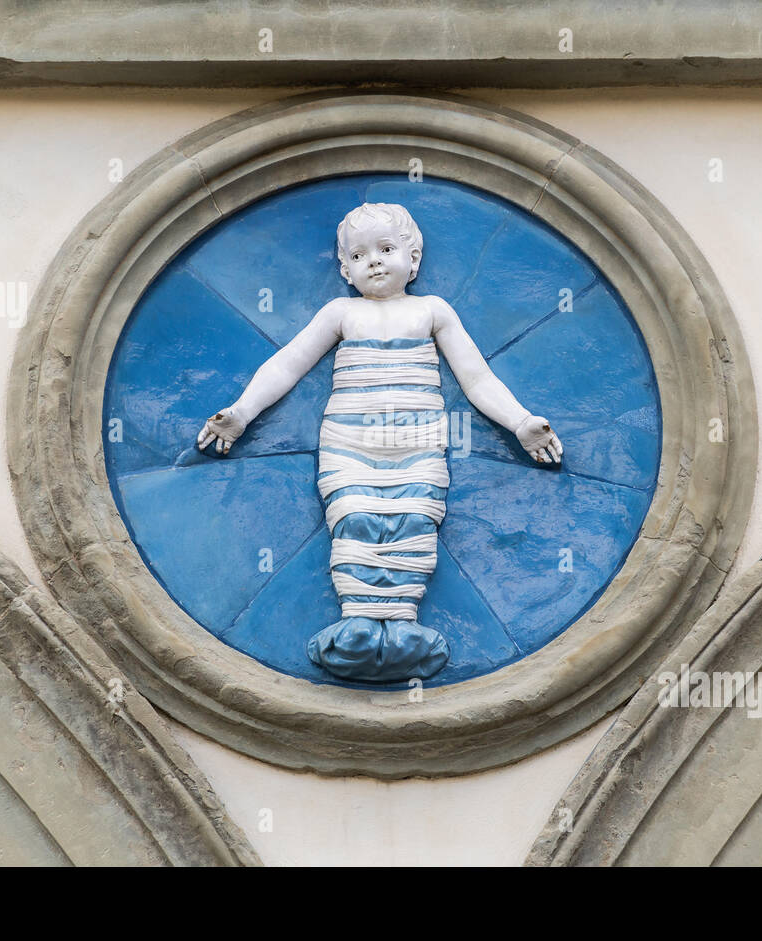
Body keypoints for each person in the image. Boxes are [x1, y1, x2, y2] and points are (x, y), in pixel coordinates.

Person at [197, 202, 562, 681]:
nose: (374, 261)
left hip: (418, 443)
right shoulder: (341, 312)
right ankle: (357, 624)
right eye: (359, 255)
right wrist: (241, 413)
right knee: (354, 518)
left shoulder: (432, 311)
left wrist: (520, 423)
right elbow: (287, 365)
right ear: (345, 270)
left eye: (386, 249)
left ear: (413, 260)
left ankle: (404, 623)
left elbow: (477, 380)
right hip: (351, 442)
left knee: (415, 519)